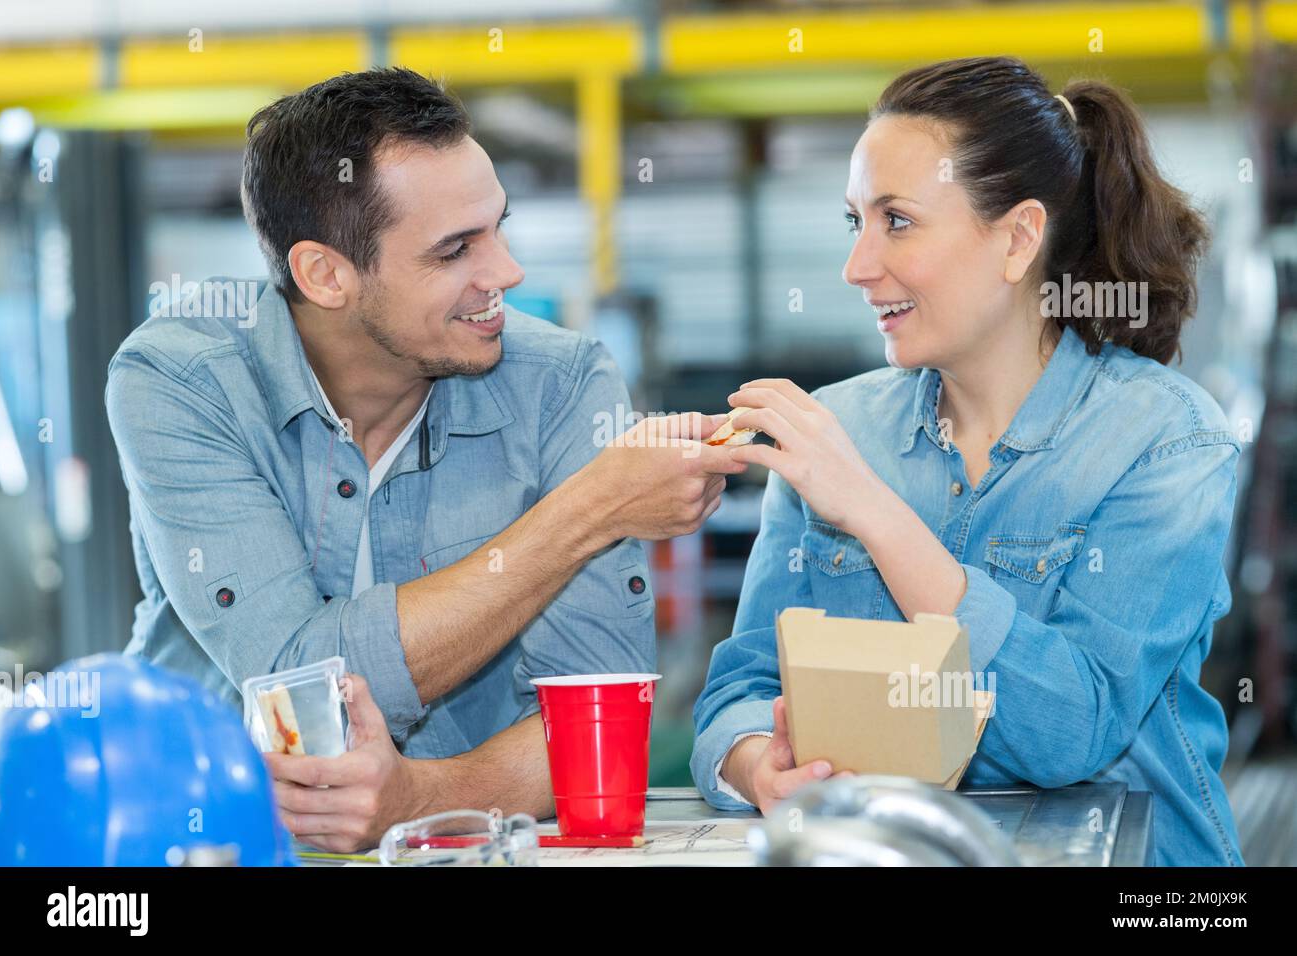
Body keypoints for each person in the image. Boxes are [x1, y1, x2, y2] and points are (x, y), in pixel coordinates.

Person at [106, 67, 744, 854]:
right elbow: (302, 681)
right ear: (325, 275)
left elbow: (598, 718)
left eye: (499, 227)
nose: (506, 273)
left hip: (473, 848)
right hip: (206, 839)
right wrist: (589, 510)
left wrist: (424, 799)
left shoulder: (562, 383)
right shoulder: (183, 381)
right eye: (455, 251)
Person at [691, 56, 1244, 866]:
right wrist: (756, 765)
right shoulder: (840, 427)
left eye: (899, 222)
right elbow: (741, 687)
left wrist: (875, 513)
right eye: (856, 222)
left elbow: (1072, 732)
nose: (857, 267)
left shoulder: (1166, 440)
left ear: (1018, 238)